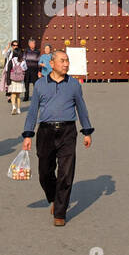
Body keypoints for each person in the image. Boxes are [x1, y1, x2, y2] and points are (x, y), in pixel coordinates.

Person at [21, 49, 94, 226]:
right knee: (45, 172)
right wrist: (28, 134)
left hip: (68, 131)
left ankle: (60, 212)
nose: (66, 64)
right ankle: (54, 197)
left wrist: (86, 131)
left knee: (66, 172)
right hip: (45, 131)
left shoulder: (74, 85)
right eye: (62, 61)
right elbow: (32, 111)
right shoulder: (40, 84)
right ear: (52, 64)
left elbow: (81, 108)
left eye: (67, 61)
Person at [5, 48, 27, 115]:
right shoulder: (23, 61)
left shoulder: (11, 61)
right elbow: (25, 69)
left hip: (13, 79)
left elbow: (8, 70)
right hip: (20, 80)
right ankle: (19, 109)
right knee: (18, 95)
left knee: (13, 94)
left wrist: (8, 80)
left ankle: (14, 107)